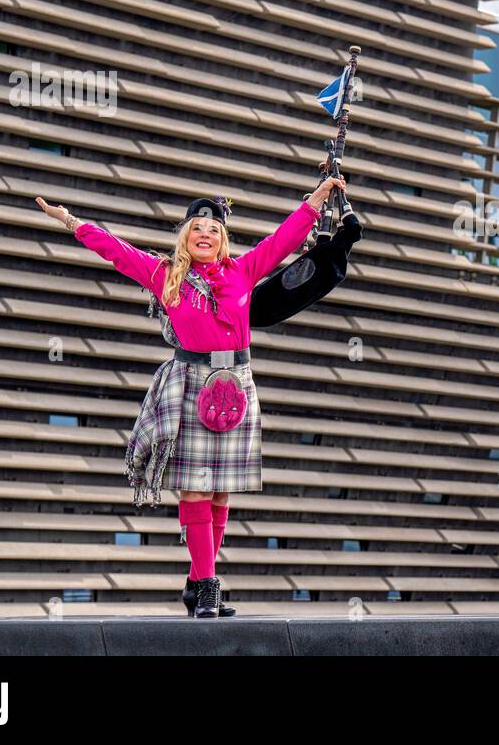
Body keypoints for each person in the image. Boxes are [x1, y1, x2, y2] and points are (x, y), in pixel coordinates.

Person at [35, 177, 344, 618]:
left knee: (220, 495)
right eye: (197, 229)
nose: (205, 234)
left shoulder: (243, 270)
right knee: (195, 490)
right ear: (185, 237)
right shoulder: (165, 275)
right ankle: (209, 587)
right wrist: (71, 222)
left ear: (222, 240)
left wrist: (317, 199)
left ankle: (197, 583)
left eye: (214, 230)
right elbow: (116, 251)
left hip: (236, 384)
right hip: (191, 383)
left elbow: (283, 239)